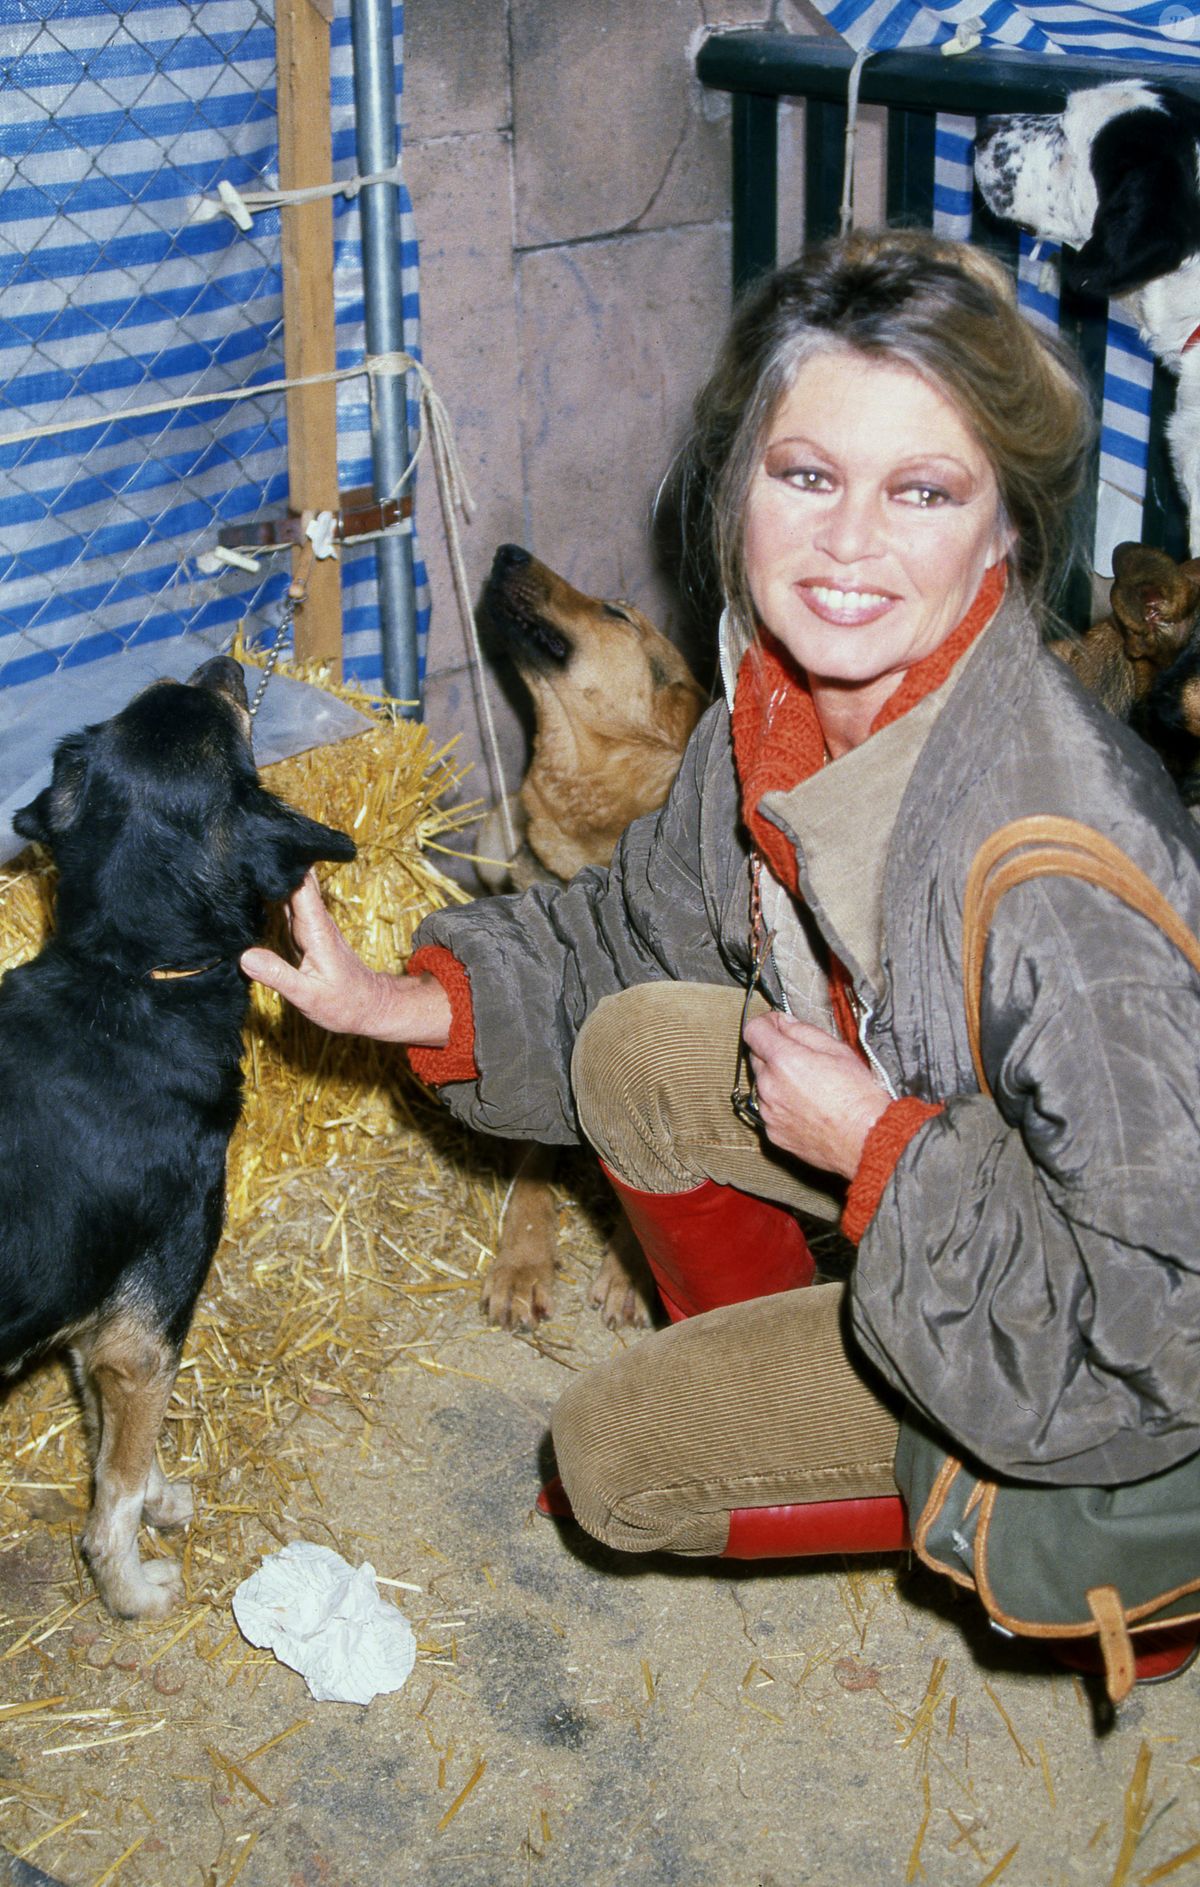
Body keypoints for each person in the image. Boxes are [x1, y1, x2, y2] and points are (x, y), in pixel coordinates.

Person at [242, 229, 1200, 1683]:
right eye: (808, 475)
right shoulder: (771, 714)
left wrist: (878, 1153)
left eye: (922, 492)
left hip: (1119, 1373)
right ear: (739, 485)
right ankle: (830, 1341)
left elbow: (1154, 1330)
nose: (850, 543)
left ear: (1002, 530)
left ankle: (1130, 1570)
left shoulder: (1061, 868)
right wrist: (406, 1000)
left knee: (614, 1465)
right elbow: (627, 934)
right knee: (631, 1041)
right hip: (963, 1235)